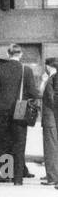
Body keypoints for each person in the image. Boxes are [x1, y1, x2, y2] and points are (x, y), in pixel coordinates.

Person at [0, 43, 40, 185]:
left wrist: (1, 98)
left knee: (0, 144)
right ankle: (17, 178)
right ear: (20, 54)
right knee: (19, 144)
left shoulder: (0, 69)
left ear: (8, 54)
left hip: (1, 110)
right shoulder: (26, 70)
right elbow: (33, 92)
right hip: (20, 110)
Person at [42, 57, 58, 188]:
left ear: (48, 66)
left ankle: (52, 176)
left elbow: (51, 98)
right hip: (52, 119)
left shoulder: (51, 79)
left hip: (50, 119)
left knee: (50, 148)